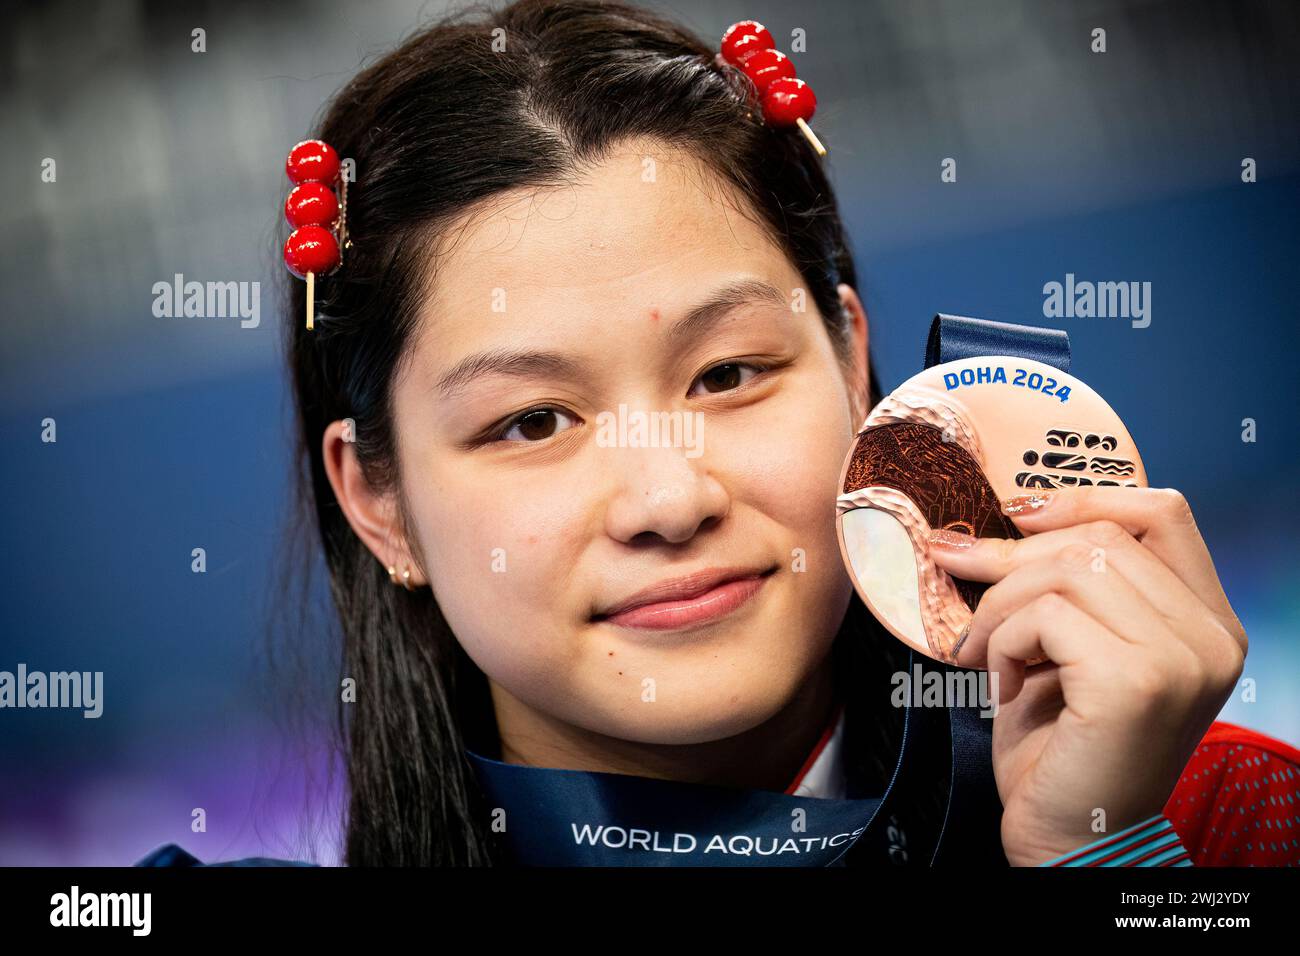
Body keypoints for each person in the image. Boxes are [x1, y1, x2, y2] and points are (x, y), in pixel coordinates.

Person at [139, 0, 1299, 868]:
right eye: (533, 418)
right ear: (377, 501)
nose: (668, 498)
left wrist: (1094, 857)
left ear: (851, 366)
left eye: (729, 371)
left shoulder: (1225, 822)